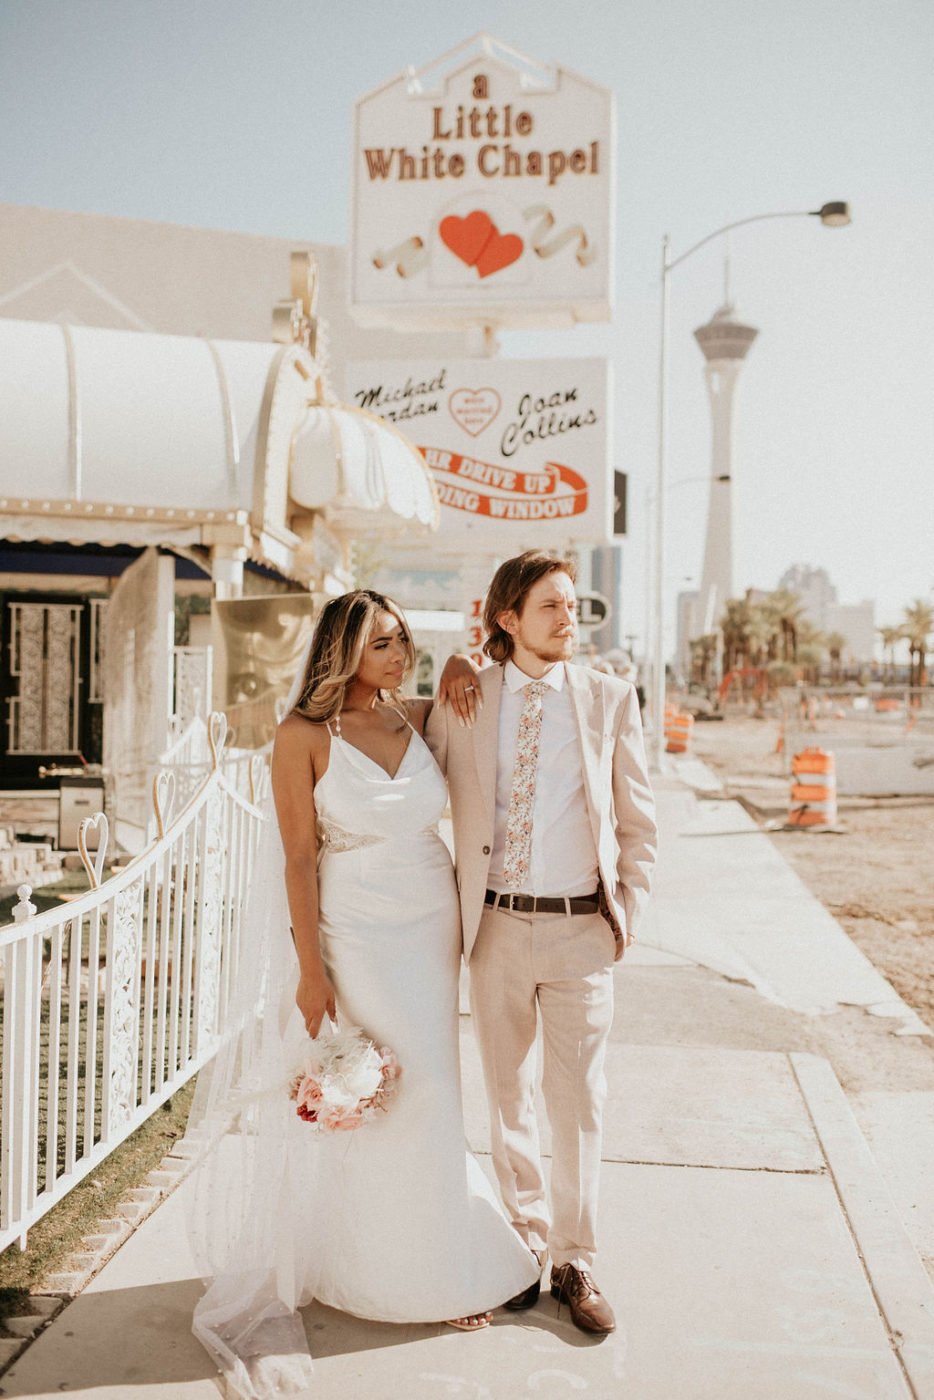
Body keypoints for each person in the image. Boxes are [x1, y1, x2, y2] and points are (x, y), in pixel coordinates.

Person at [187, 590, 536, 1399]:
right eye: (382, 642)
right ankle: (373, 1272)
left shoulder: (416, 715)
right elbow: (299, 861)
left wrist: (455, 657)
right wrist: (312, 970)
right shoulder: (302, 736)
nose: (398, 653)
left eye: (404, 639)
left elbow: (471, 684)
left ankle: (444, 1264)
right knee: (375, 1094)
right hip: (357, 932)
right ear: (342, 649)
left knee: (436, 1090)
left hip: (429, 925)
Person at [428, 551, 657, 1337]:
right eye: (552, 607)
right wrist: (455, 664)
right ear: (507, 619)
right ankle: (521, 1251)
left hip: (581, 930)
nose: (569, 620)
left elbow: (638, 822)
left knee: (579, 1103)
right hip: (493, 926)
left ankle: (575, 1258)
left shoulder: (609, 698)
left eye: (572, 606)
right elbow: (405, 771)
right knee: (506, 1096)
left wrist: (628, 910)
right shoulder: (466, 697)